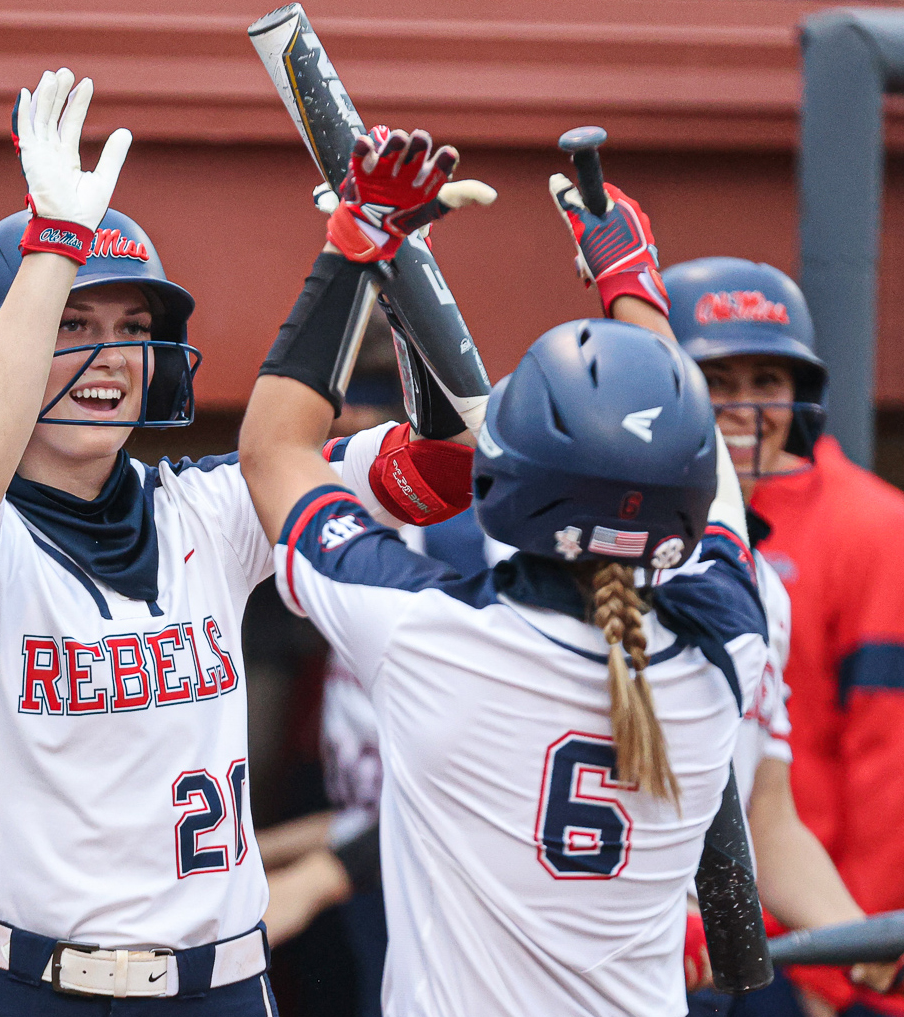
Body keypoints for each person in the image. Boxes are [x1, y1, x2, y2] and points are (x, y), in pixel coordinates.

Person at [0, 71, 482, 1016]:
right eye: (74, 321)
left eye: (130, 327)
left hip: (220, 985)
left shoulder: (211, 504)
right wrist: (55, 246)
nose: (110, 354)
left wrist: (389, 273)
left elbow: (445, 468)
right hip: (19, 985)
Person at [239, 124, 769, 1016]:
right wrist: (633, 284)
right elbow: (696, 464)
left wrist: (356, 243)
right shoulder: (725, 651)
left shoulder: (429, 636)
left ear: (504, 485)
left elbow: (269, 453)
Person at [664, 256, 904, 1016]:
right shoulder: (627, 527)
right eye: (717, 379)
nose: (742, 409)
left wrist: (839, 976)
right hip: (636, 946)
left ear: (800, 395)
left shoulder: (883, 535)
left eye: (765, 382)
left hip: (786, 963)